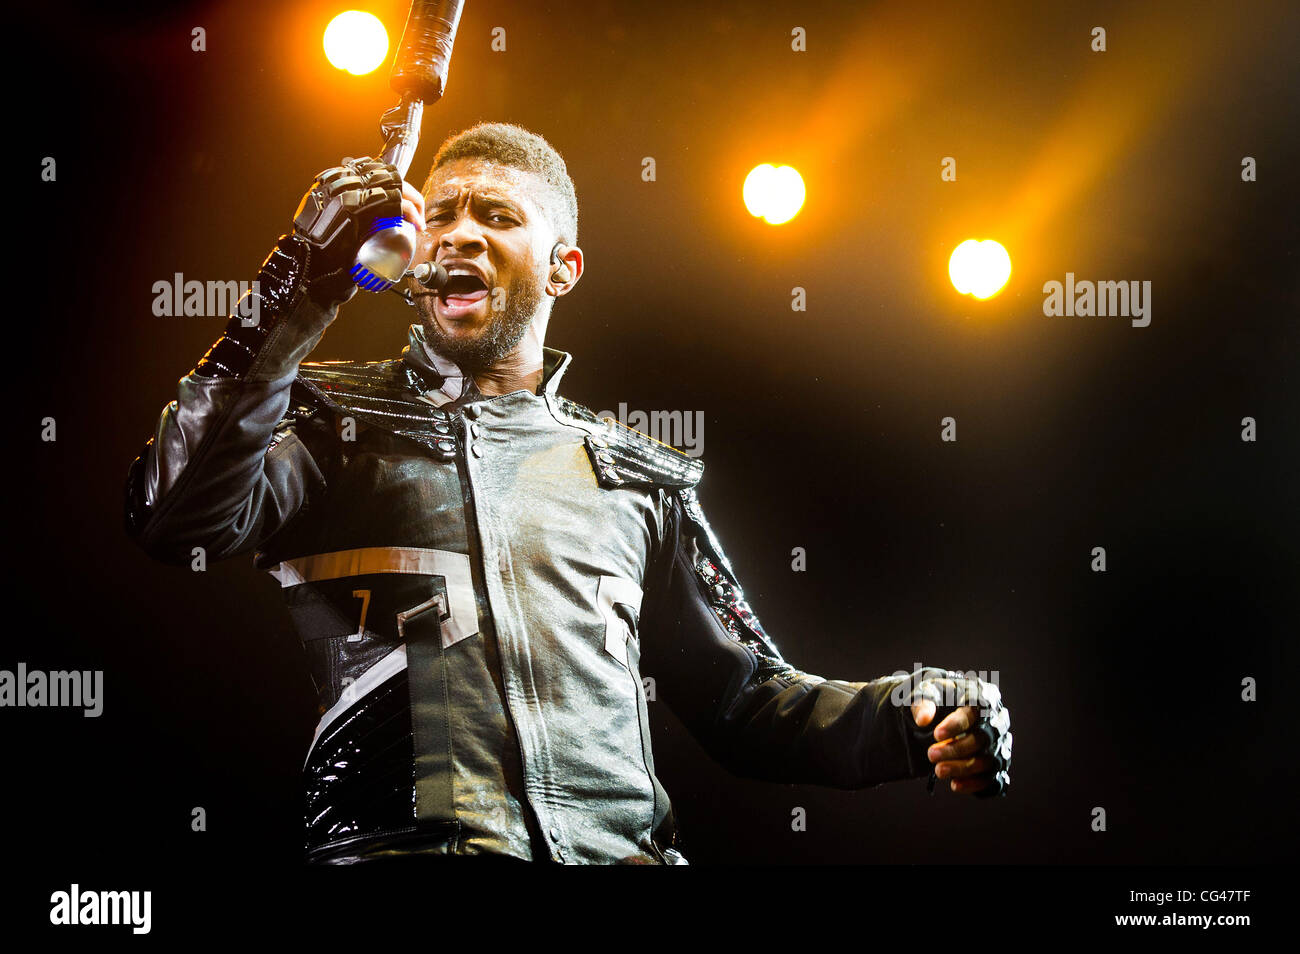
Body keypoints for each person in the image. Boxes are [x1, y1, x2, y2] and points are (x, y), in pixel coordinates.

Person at [124, 122, 1012, 865]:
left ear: (562, 269)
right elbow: (173, 517)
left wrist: (911, 713)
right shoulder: (327, 420)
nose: (459, 233)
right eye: (440, 216)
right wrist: (294, 297)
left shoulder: (634, 475)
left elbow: (749, 705)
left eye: (497, 216)